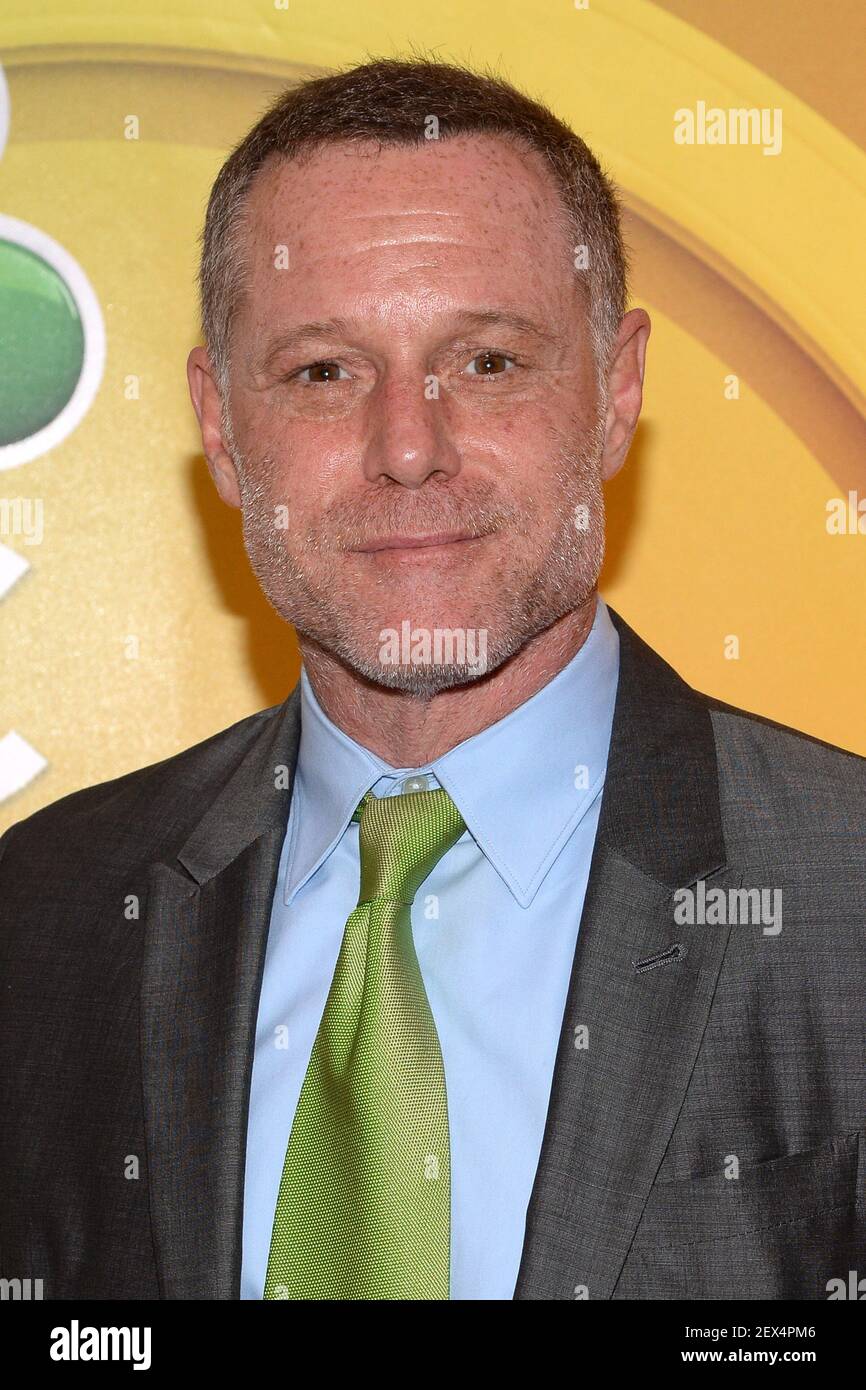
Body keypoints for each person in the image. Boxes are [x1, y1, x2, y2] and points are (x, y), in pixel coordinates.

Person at [1, 57, 863, 1302]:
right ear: (220, 425)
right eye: (323, 372)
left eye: (489, 363)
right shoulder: (51, 907)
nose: (409, 447)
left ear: (616, 393)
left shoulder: (843, 893)